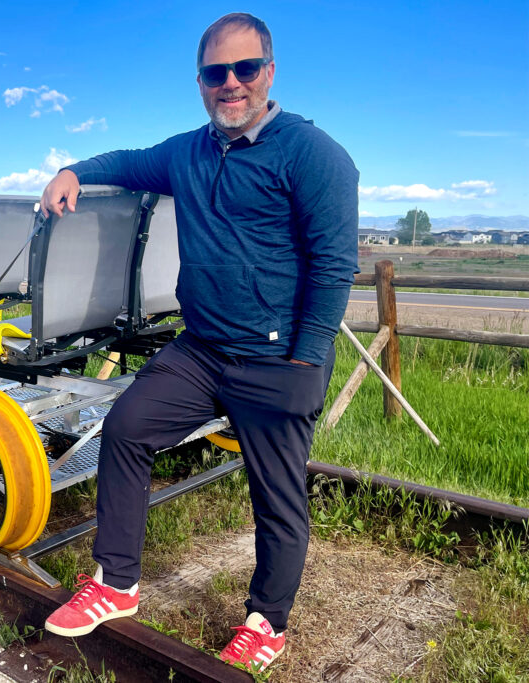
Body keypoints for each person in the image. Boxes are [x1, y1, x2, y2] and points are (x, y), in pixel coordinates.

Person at [39, 12, 358, 673]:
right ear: (200, 82)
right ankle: (116, 582)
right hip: (203, 348)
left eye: (245, 70)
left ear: (269, 72)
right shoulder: (190, 151)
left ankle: (267, 622)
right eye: (217, 73)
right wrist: (72, 169)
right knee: (126, 425)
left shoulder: (312, 154)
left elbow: (333, 264)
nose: (231, 84)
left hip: (277, 358)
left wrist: (307, 359)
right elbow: (128, 162)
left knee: (277, 496)